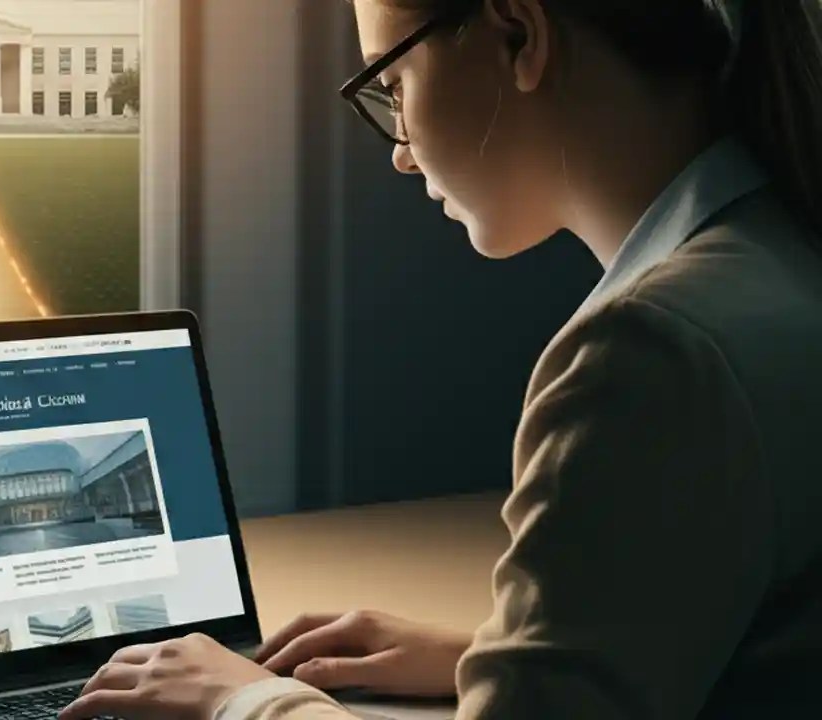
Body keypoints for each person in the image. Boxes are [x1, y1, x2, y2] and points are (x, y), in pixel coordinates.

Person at [58, 0, 822, 717]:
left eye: (393, 82)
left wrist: (246, 701)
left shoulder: (649, 354)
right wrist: (496, 656)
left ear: (519, 35)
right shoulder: (775, 257)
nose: (399, 154)